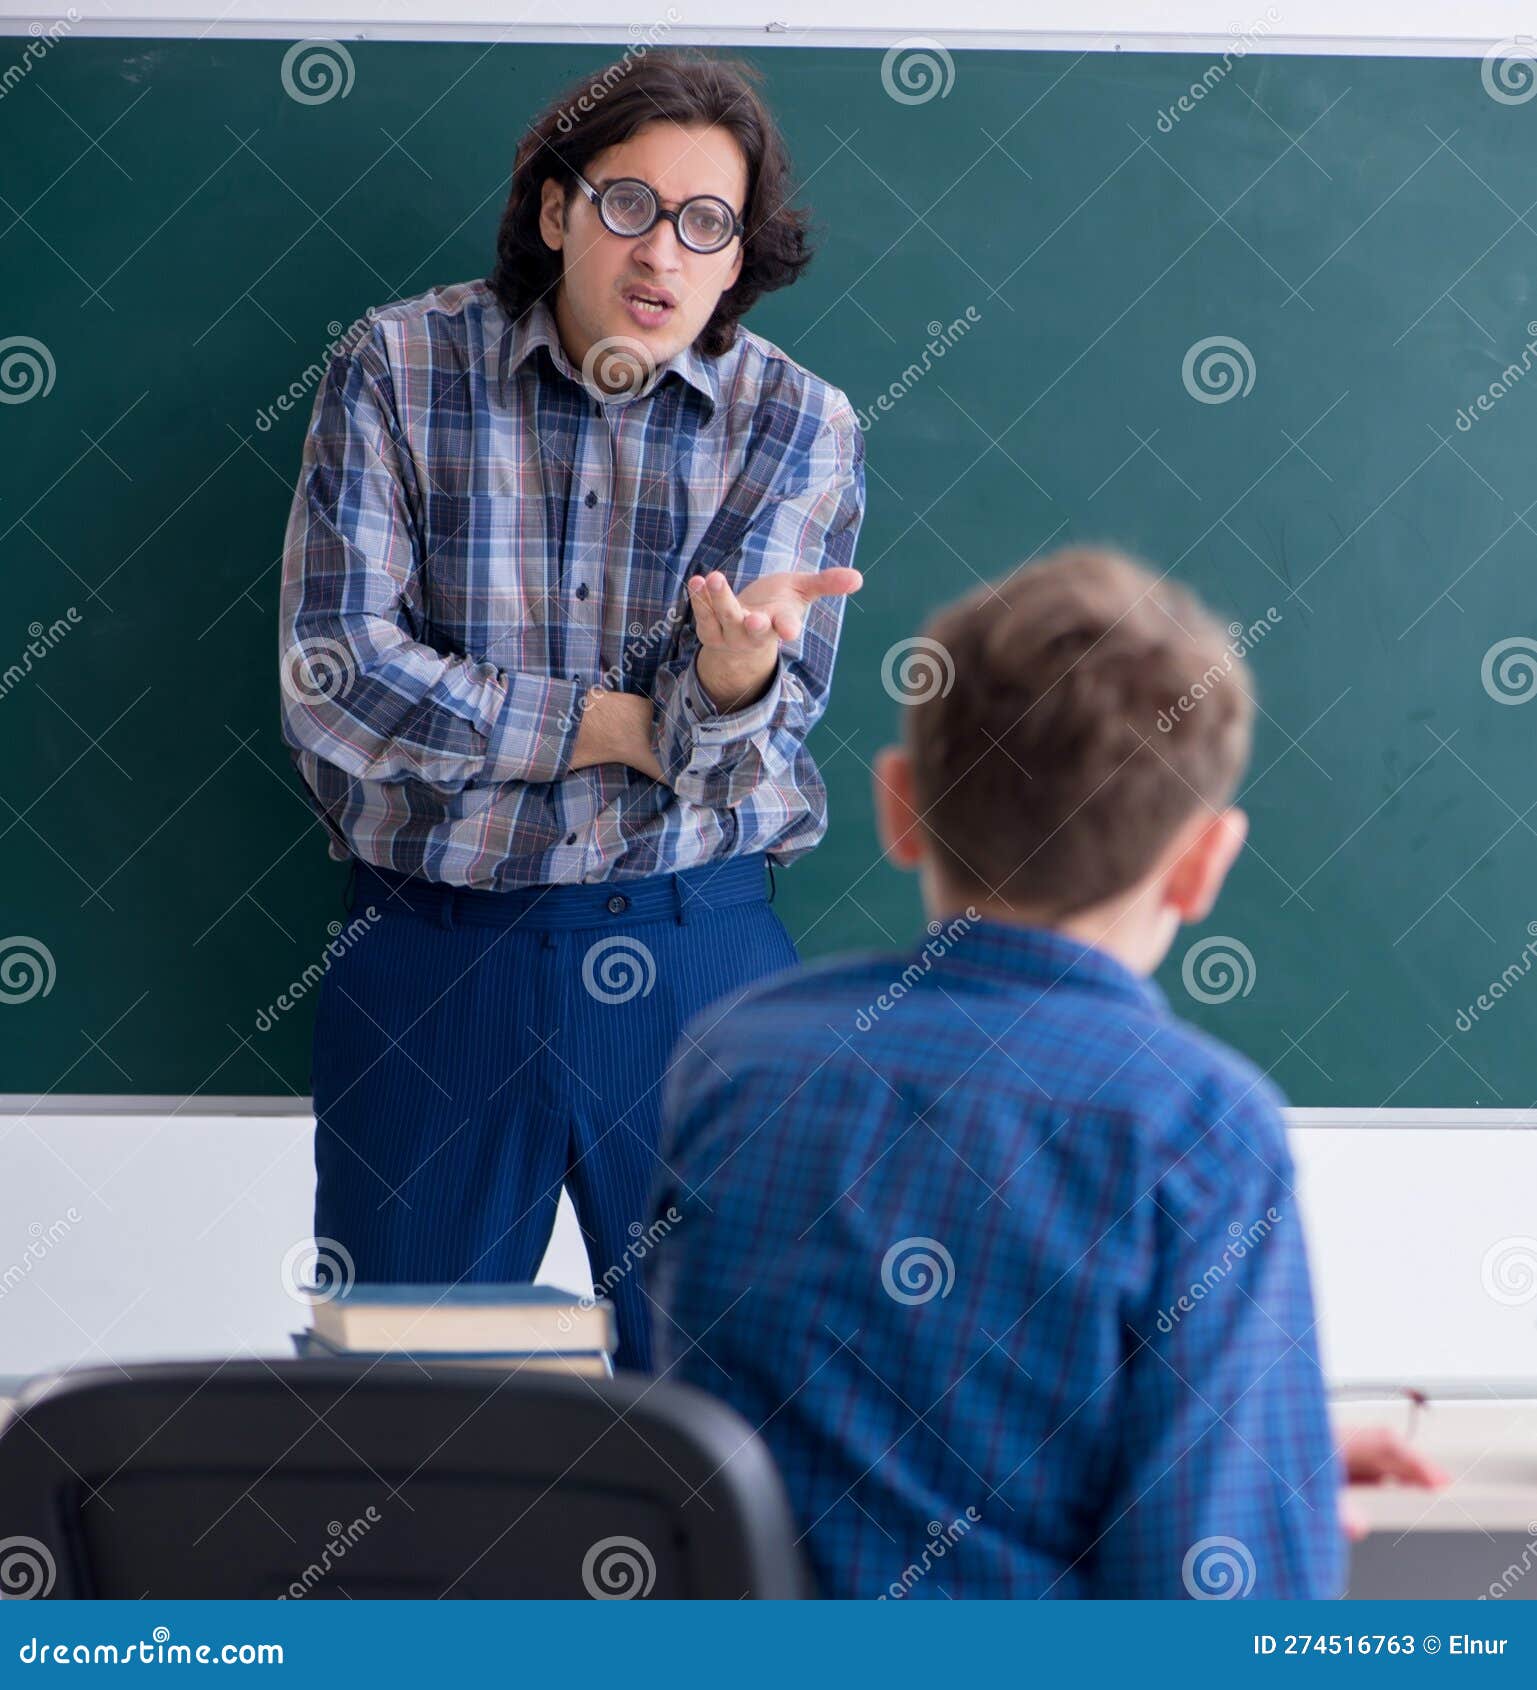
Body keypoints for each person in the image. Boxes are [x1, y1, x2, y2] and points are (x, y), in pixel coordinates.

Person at [647, 546, 1441, 1597]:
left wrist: (1260, 1446)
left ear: (898, 806)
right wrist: (1251, 1491)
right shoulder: (1196, 1125)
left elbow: (775, 1439)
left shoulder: (736, 1056)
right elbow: (1214, 1603)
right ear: (1205, 861)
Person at [276, 50, 865, 1370]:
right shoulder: (396, 366)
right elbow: (339, 684)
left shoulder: (797, 425)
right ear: (556, 211)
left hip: (694, 955)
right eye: (628, 206)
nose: (664, 251)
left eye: (707, 224)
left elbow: (747, 751)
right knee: (396, 1424)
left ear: (738, 259)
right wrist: (623, 724)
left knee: (732, 1412)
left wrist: (724, 685)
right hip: (435, 956)